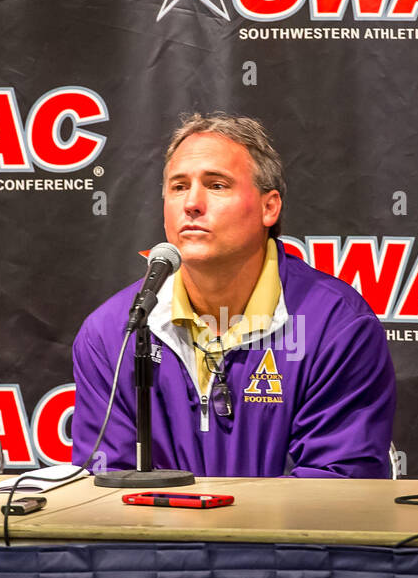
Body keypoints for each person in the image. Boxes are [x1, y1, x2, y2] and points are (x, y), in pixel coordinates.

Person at [71, 112, 396, 477]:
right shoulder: (112, 332)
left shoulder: (335, 326)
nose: (192, 203)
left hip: (286, 535)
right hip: (158, 535)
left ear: (268, 207)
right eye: (178, 187)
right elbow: (105, 489)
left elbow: (336, 489)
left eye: (217, 185)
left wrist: (218, 524)